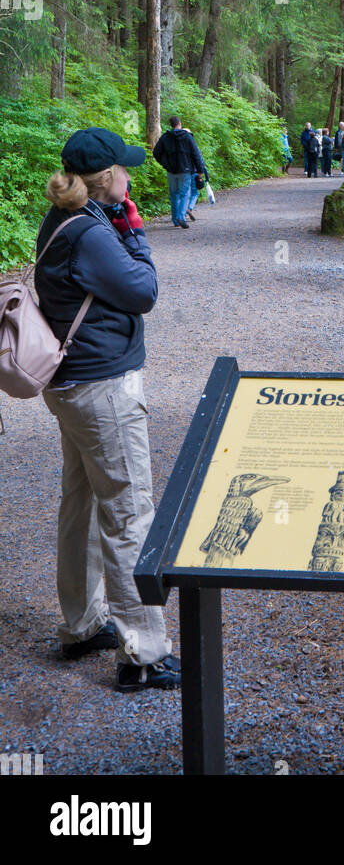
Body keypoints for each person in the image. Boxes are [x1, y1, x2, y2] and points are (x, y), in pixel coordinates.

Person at [35, 127, 180, 692]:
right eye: (123, 169)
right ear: (105, 180)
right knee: (128, 510)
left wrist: (118, 225)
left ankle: (83, 623)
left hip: (71, 386)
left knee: (82, 501)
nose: (129, 175)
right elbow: (144, 291)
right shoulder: (94, 234)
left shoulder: (65, 220)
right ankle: (142, 654)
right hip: (102, 389)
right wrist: (136, 232)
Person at [152, 115, 206, 227]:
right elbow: (195, 153)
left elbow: (156, 153)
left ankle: (175, 220)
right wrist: (200, 169)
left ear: (171, 125)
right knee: (184, 194)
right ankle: (181, 217)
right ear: (179, 123)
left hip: (171, 171)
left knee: (174, 194)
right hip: (185, 170)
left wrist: (165, 164)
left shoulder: (165, 137)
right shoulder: (187, 137)